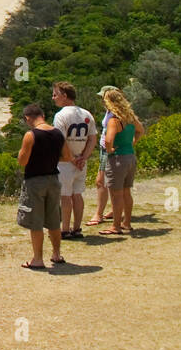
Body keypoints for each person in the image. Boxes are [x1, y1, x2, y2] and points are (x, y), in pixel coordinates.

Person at [17, 103, 67, 269]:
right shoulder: (58, 133)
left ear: (28, 118)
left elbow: (22, 161)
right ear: (43, 115)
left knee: (35, 221)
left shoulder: (31, 135)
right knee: (54, 219)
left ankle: (38, 259)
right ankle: (56, 254)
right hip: (53, 179)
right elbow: (68, 156)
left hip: (35, 181)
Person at [51, 81, 96, 239]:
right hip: (81, 162)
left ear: (64, 96)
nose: (53, 98)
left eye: (55, 95)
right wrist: (83, 157)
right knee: (77, 194)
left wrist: (72, 159)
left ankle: (65, 229)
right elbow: (92, 139)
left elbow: (60, 141)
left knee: (65, 196)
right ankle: (77, 228)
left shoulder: (61, 116)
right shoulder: (87, 114)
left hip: (65, 163)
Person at [99, 87, 144, 236]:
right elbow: (141, 130)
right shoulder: (130, 117)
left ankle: (116, 226)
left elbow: (109, 139)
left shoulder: (114, 120)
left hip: (117, 158)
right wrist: (132, 142)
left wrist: (110, 149)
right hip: (130, 156)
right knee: (126, 192)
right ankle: (127, 223)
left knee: (116, 194)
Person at [86, 85, 120, 226]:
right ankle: (114, 210)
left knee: (101, 181)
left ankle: (98, 214)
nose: (101, 100)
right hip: (106, 148)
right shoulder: (114, 111)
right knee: (111, 182)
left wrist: (110, 147)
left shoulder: (115, 114)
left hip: (108, 149)